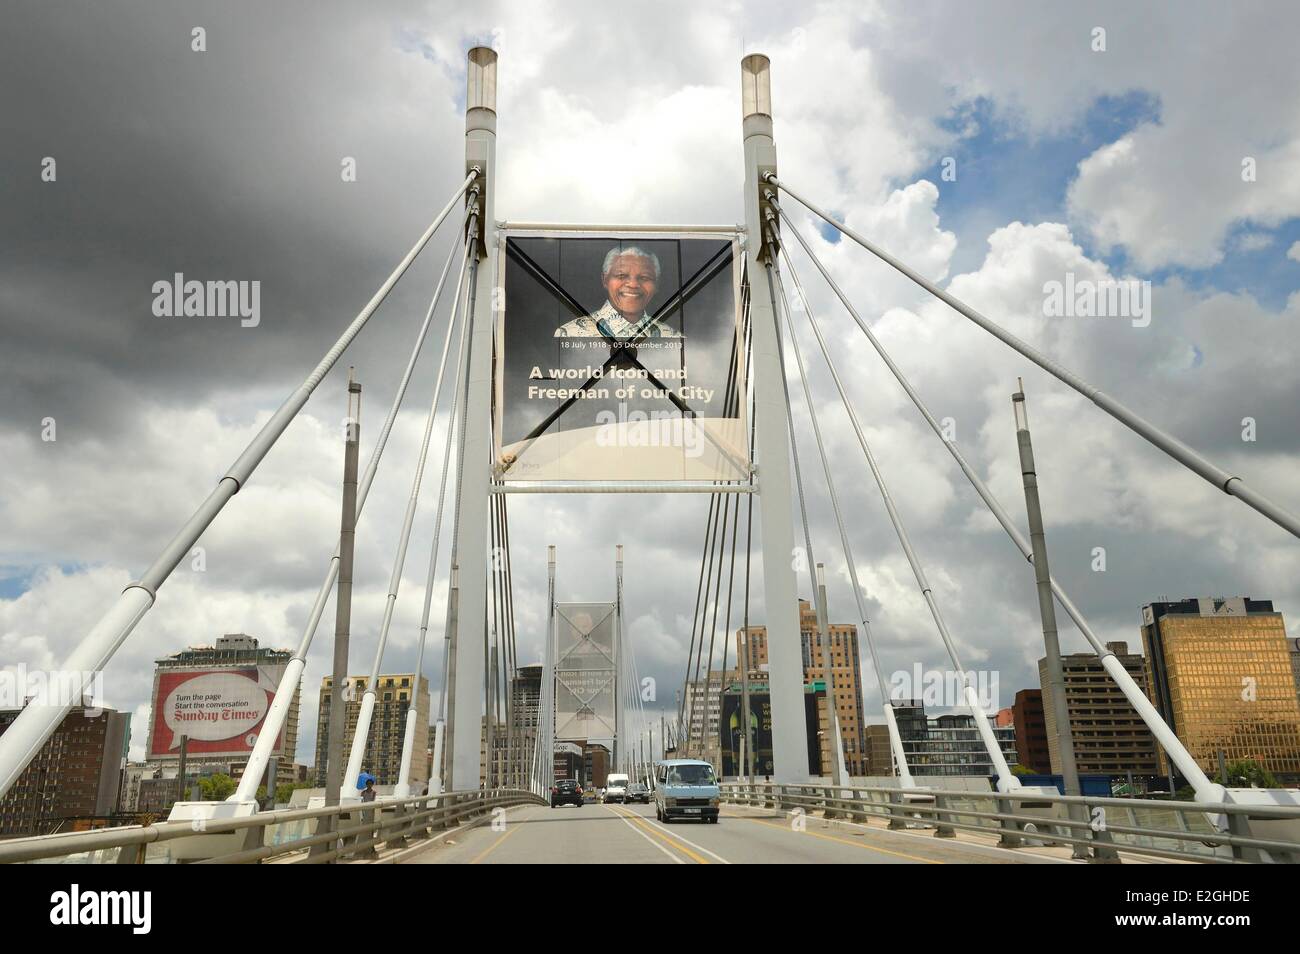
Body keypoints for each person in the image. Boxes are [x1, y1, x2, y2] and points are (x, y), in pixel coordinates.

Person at [555, 246, 681, 338]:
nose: (633, 284)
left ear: (657, 284)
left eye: (644, 277)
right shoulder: (568, 334)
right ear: (605, 280)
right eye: (621, 276)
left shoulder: (674, 339)